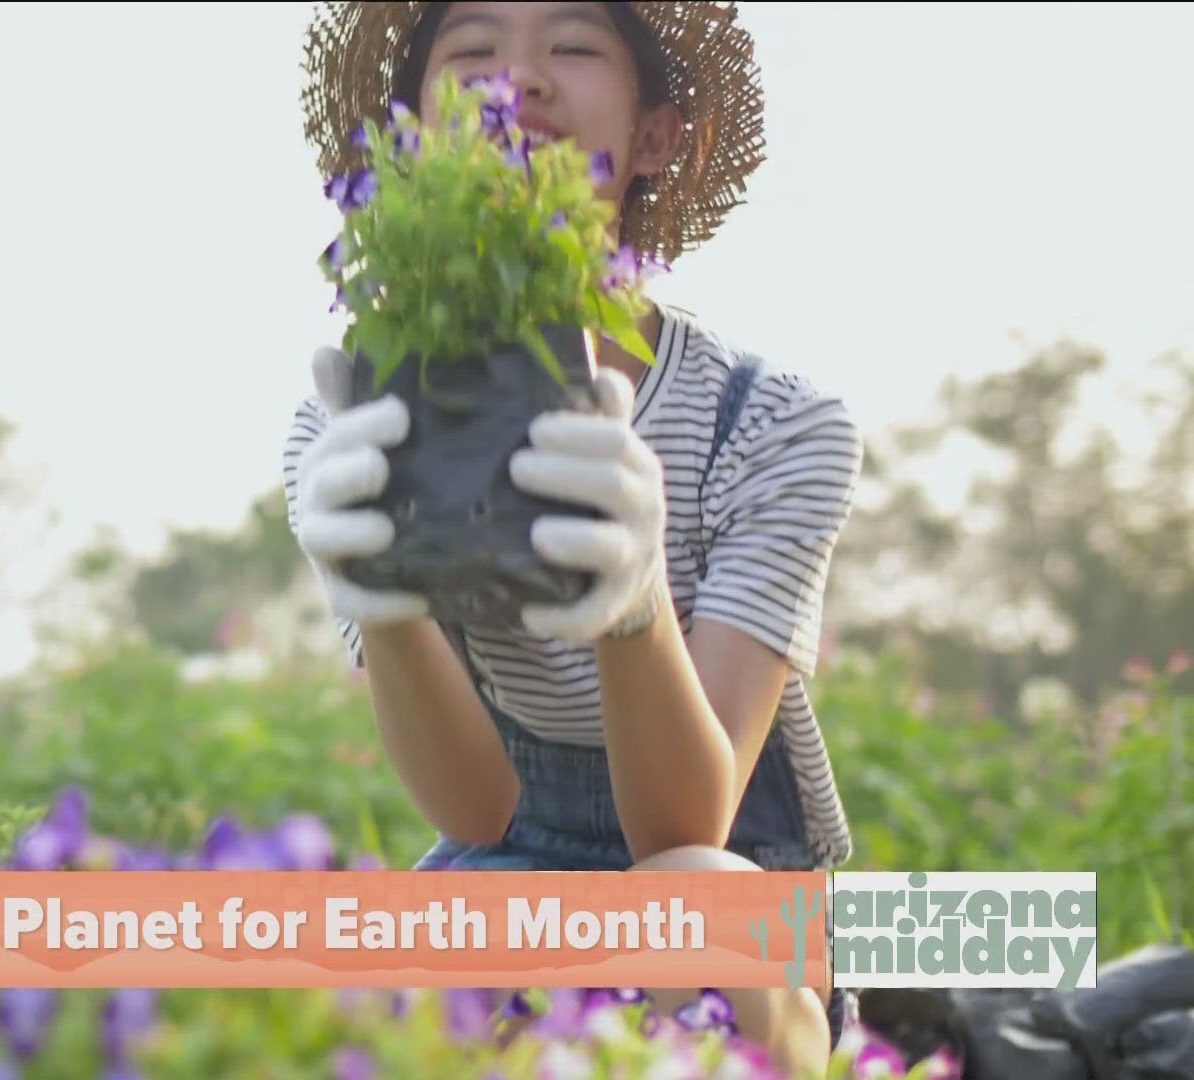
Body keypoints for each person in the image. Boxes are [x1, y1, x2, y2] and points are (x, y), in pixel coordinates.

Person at [283, 2, 864, 1075]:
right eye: (473, 50)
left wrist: (633, 603)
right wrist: (380, 593)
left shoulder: (773, 424)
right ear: (412, 135)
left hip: (733, 881)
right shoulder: (353, 428)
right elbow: (474, 809)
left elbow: (686, 829)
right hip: (508, 876)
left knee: (694, 913)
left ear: (656, 136)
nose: (520, 80)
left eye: (573, 45)